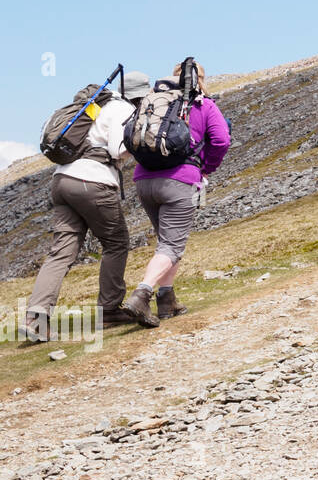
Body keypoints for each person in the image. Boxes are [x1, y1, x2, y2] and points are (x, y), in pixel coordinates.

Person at [22, 71, 153, 343]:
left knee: (62, 252)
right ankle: (108, 309)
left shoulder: (94, 105)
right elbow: (118, 149)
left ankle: (36, 318)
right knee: (116, 242)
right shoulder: (122, 108)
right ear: (140, 95)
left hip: (61, 180)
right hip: (92, 180)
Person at [125, 62, 231, 325]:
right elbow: (221, 140)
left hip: (144, 180)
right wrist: (206, 169)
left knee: (166, 242)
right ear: (202, 80)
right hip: (179, 181)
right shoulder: (203, 104)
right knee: (171, 245)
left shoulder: (153, 102)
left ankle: (166, 299)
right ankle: (142, 294)